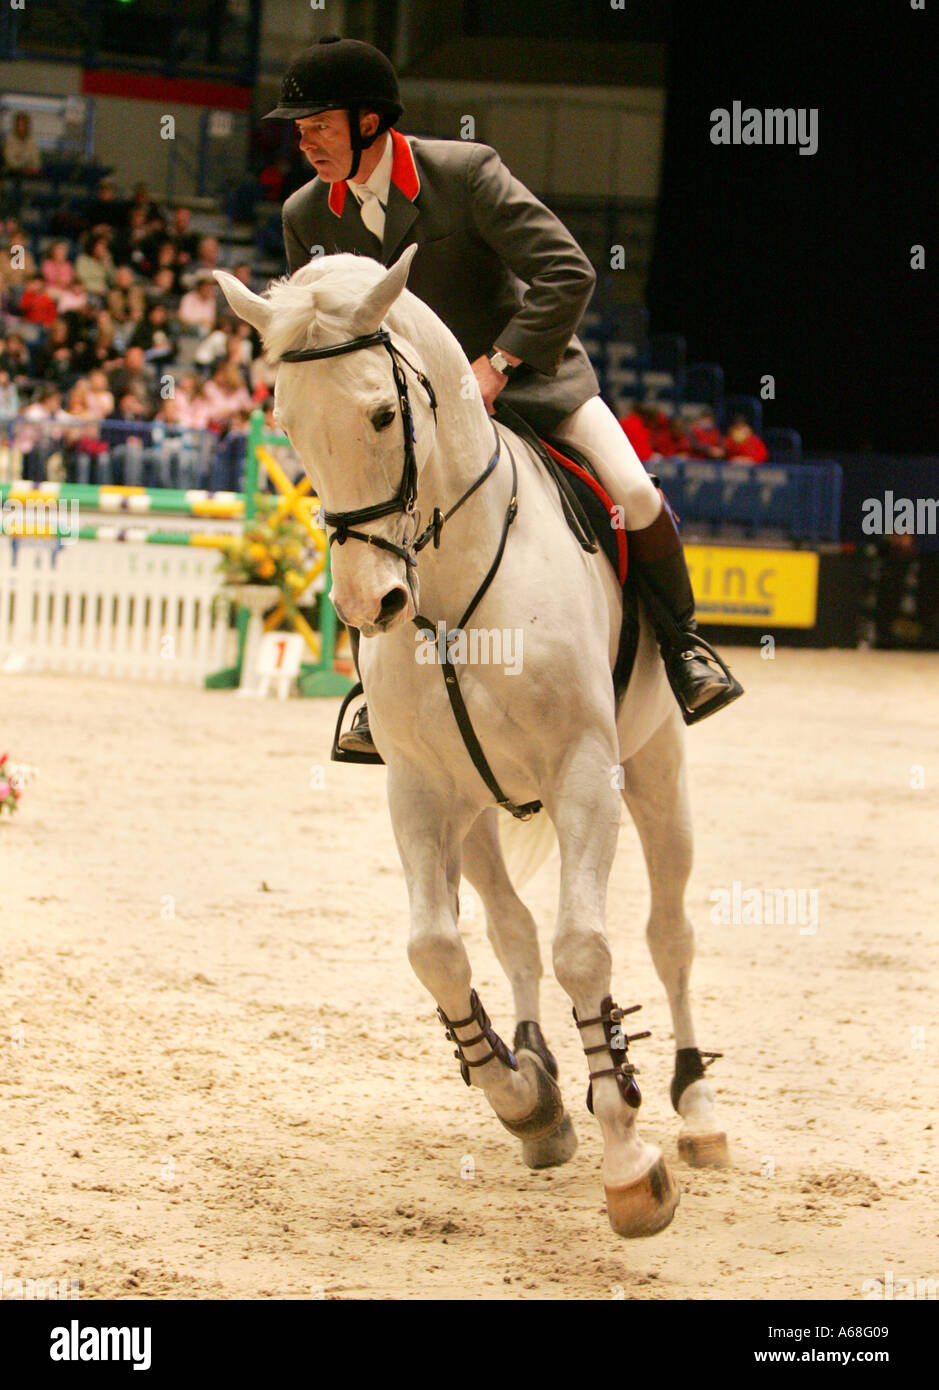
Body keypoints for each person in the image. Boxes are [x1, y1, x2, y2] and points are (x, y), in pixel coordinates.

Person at [266, 38, 742, 748]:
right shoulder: (305, 214)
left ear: (368, 122)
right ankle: (373, 692)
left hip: (527, 384)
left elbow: (567, 272)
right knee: (370, 523)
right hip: (413, 416)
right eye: (299, 130)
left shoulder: (464, 174)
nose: (304, 143)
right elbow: (318, 330)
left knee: (633, 492)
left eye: (318, 127)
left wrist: (496, 363)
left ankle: (685, 648)